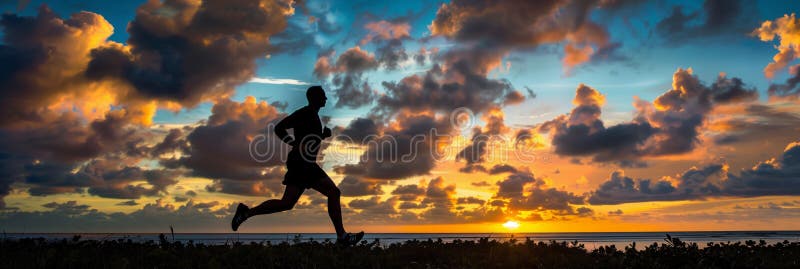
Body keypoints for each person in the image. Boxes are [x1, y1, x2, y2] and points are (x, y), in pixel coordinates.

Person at [230, 86, 364, 246]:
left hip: (303, 163)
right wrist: (293, 142)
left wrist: (322, 135)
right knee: (334, 192)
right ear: (314, 97)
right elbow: (279, 128)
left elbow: (307, 139)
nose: (326, 99)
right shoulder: (305, 113)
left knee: (287, 203)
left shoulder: (312, 115)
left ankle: (246, 213)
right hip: (302, 163)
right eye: (323, 96)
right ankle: (342, 237)